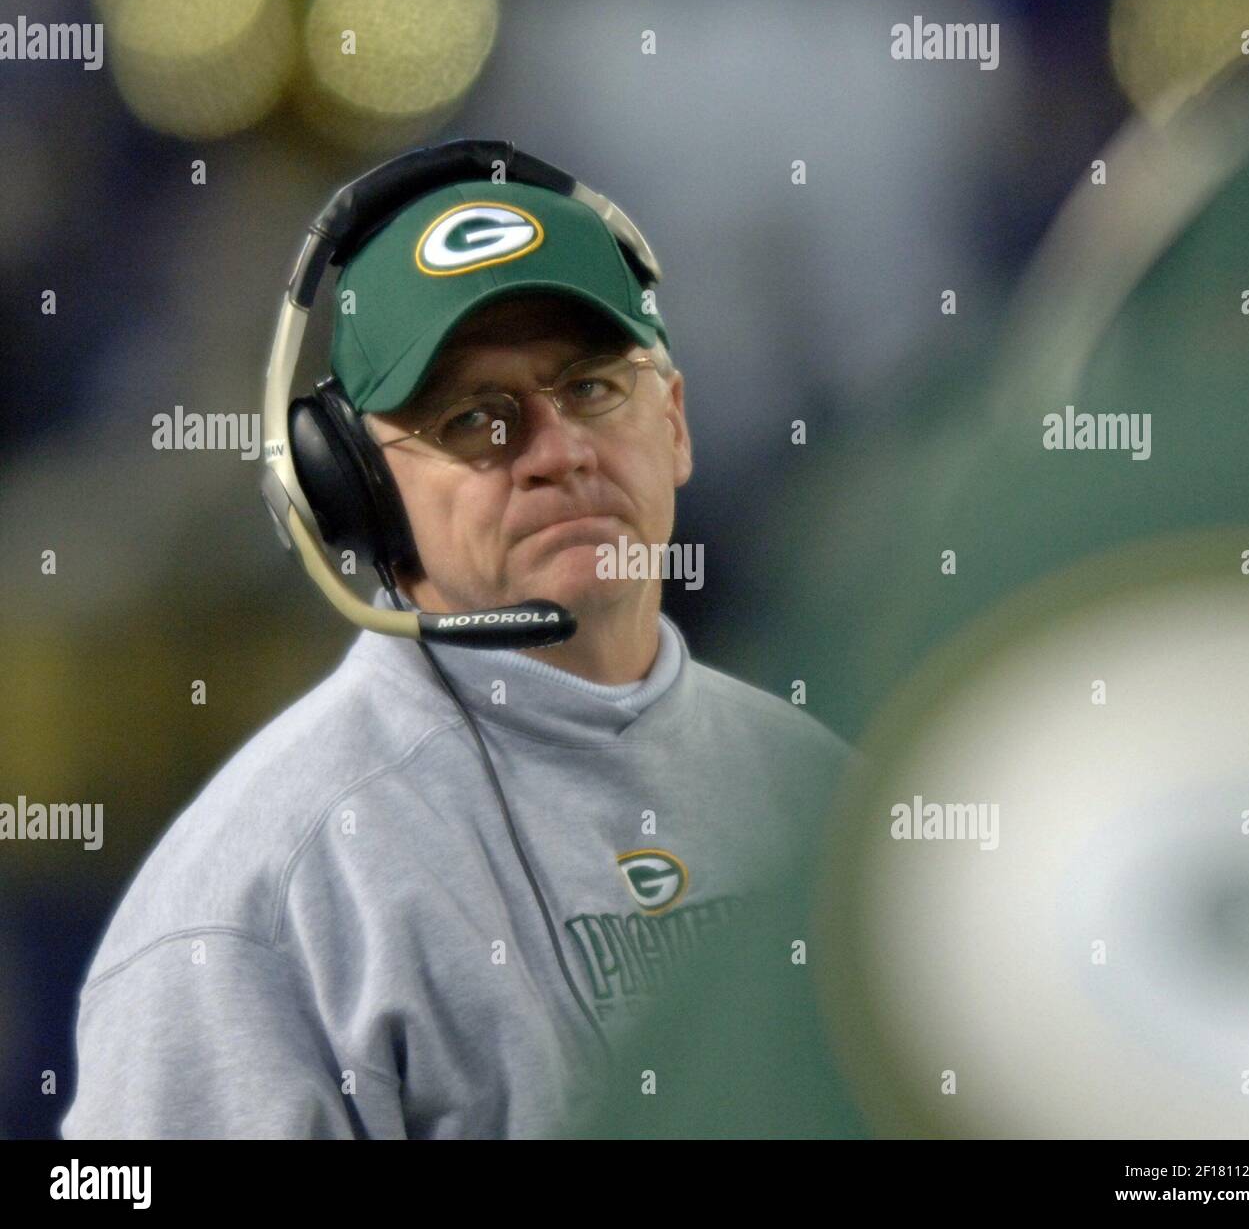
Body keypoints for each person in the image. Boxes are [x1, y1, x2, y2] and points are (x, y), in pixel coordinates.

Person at [62, 152, 853, 1139]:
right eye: (476, 421)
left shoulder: (826, 791)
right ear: (358, 489)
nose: (558, 451)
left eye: (594, 388)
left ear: (677, 423)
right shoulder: (262, 897)